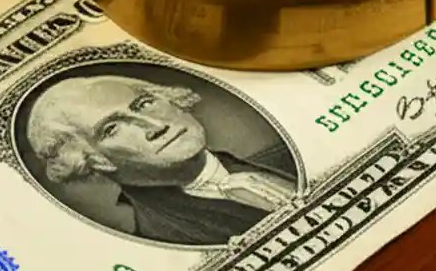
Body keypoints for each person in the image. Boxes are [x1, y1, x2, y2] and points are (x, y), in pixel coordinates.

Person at [25, 74, 297, 245]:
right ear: (94, 160)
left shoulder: (287, 158)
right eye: (112, 128)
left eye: (144, 104)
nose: (155, 125)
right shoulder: (168, 239)